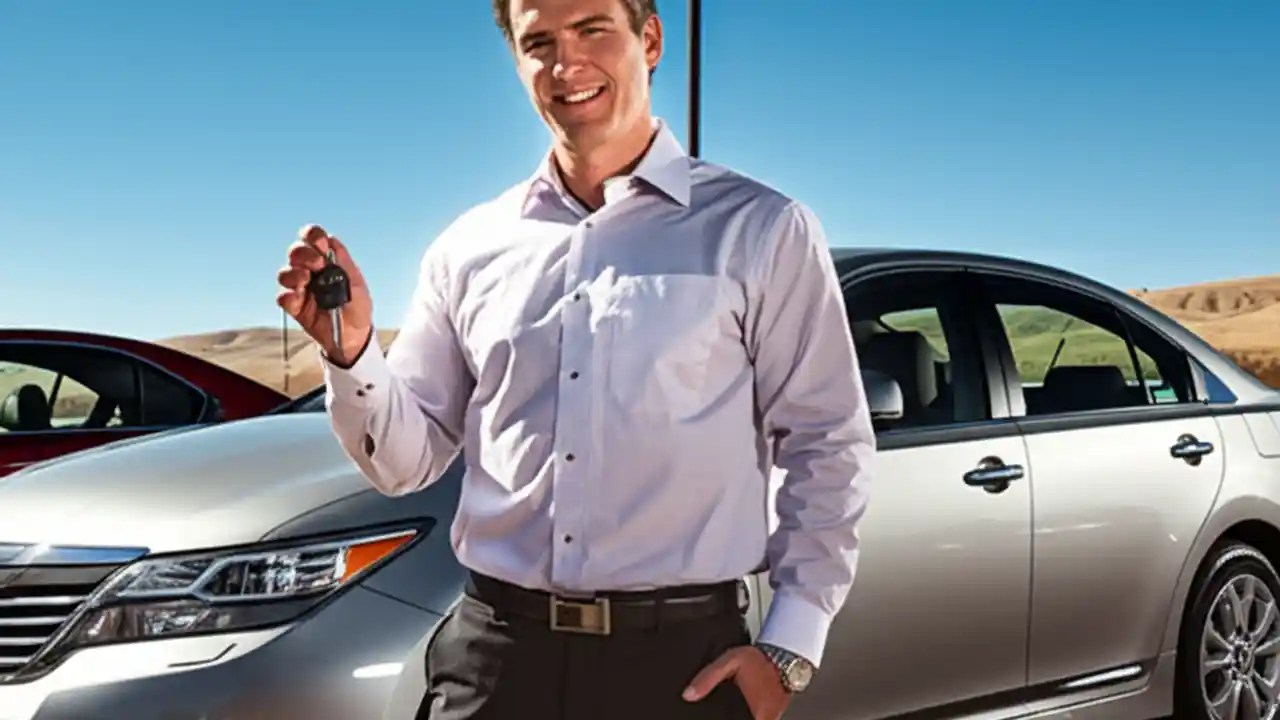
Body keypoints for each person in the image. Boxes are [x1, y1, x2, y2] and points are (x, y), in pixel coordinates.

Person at [275, 0, 874, 717]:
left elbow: (827, 442)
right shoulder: (468, 248)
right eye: (540, 43)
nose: (567, 65)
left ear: (649, 39)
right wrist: (351, 354)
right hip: (495, 661)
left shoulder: (761, 230)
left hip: (680, 669)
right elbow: (406, 463)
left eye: (593, 29)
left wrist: (789, 647)